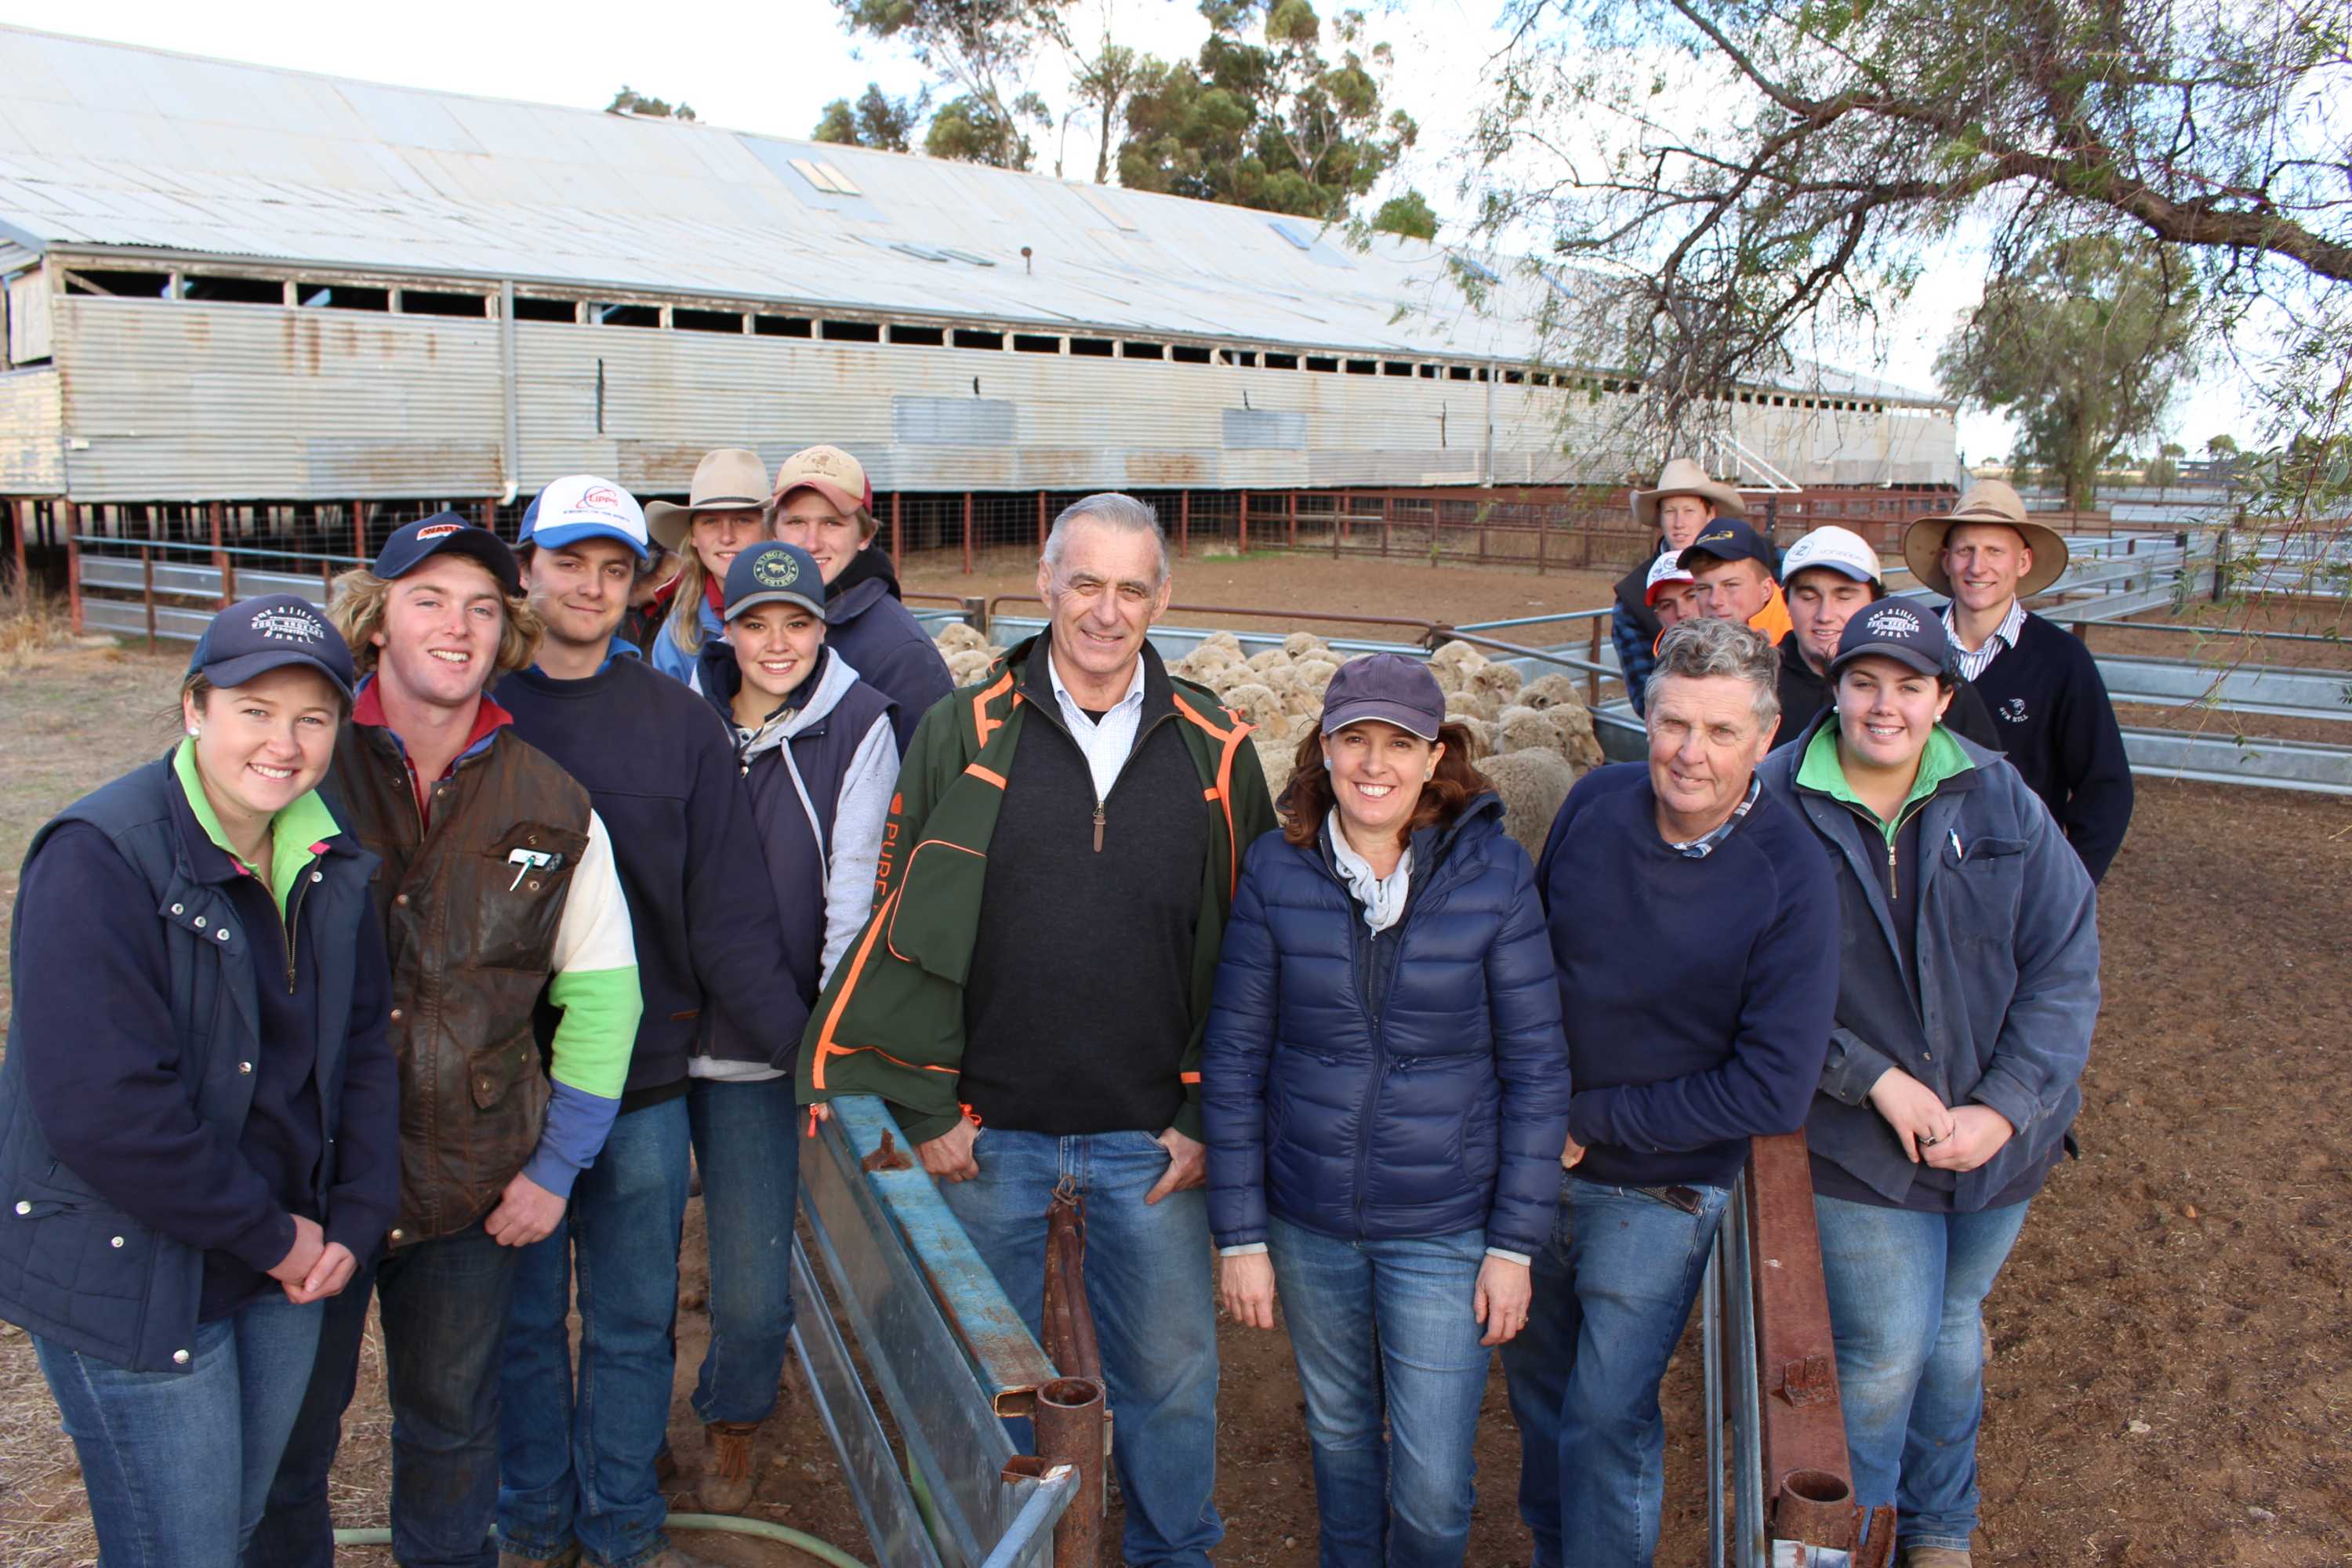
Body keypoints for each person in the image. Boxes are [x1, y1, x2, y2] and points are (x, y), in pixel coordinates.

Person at [796, 492, 1277, 1567]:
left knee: (1169, 1385)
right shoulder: (959, 732)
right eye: (1087, 583)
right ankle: (984, 1552)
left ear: (1164, 598)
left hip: (1147, 1142)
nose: (1107, 611)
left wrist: (1201, 1113)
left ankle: (1170, 1555)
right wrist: (928, 1106)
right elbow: (894, 922)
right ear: (1049, 586)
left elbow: (1250, 949)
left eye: (1132, 588)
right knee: (978, 1384)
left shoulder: (1215, 748)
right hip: (988, 1136)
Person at [252, 515, 643, 1568]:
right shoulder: (297, 768)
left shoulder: (551, 804)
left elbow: (606, 998)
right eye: (428, 599)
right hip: (307, 1179)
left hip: (467, 1181)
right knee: (289, 1440)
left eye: (481, 606)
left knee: (454, 1428)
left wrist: (557, 1166)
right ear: (377, 622)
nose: (457, 627)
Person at [0, 597, 397, 1568]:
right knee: (180, 1548)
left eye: (313, 716)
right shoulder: (99, 856)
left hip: (281, 1258)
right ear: (195, 708)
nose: (284, 740)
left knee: (243, 1522)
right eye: (255, 708)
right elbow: (104, 1110)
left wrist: (353, 1215)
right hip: (140, 1265)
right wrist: (276, 1234)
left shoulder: (329, 860)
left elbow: (363, 1049)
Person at [495, 478, 808, 1566]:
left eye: (614, 567)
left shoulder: (678, 725)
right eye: (569, 560)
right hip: (502, 1088)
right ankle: (534, 1527)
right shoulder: (483, 710)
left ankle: (620, 1523)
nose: (589, 585)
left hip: (644, 1080)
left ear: (639, 586)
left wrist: (809, 1056)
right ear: (526, 566)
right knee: (523, 1329)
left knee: (633, 1326)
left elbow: (727, 912)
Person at [1203, 652, 1571, 1567]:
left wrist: (1514, 1245)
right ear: (1323, 749)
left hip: (1445, 1226)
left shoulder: (1494, 875)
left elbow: (1536, 1068)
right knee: (1337, 1433)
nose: (1375, 764)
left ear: (1434, 753)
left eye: (1398, 743)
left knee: (1436, 1480)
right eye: (1353, 740)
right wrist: (1241, 1235)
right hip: (1310, 1218)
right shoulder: (1277, 873)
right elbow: (1237, 1055)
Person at [1759, 604, 2100, 1568]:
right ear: (1836, 688)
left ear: (1945, 697)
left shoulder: (2000, 799)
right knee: (1887, 1350)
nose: (1885, 704)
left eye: (1911, 684)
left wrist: (2005, 1105)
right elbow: (1747, 977)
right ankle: (1853, 1542)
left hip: (2002, 1136)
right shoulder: (1778, 800)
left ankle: (1941, 1524)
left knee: (1954, 1329)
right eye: (1865, 681)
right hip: (1853, 1139)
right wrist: (1871, 1078)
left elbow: (2063, 962)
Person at [1502, 615, 1838, 1568]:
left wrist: (1591, 1117)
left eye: (1721, 731)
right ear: (1645, 717)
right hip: (1538, 1162)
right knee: (1537, 1387)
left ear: (1764, 738)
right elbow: (1531, 957)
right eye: (1673, 723)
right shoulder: (1596, 803)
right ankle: (1555, 1549)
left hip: (1660, 1187)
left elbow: (1774, 1087)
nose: (1691, 753)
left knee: (1607, 1409)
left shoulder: (1791, 877)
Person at [685, 539, 898, 1509]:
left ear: (824, 626)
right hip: (655, 1030)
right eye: (756, 622)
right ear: (725, 627)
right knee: (636, 1258)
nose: (777, 642)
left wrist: (820, 1041)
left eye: (798, 622)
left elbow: (851, 891)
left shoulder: (858, 723)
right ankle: (626, 1430)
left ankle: (734, 1415)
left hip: (763, 1040)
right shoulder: (680, 711)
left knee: (750, 1271)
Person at [1902, 480, 2133, 881]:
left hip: (2014, 875)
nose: (1978, 566)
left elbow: (2106, 788)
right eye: (1965, 550)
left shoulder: (2061, 660)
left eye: (1995, 551)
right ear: (1946, 559)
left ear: (2023, 562)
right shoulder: (1910, 645)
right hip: (1912, 873)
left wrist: (2067, 886)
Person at [766, 443, 952, 750]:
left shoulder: (903, 655)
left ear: (865, 535)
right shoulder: (759, 627)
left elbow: (933, 784)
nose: (811, 543)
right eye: (796, 522)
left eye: (831, 523)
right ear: (774, 532)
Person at [1774, 525, 2001, 750]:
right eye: (1808, 597)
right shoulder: (1760, 683)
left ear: (1874, 601)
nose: (1825, 615)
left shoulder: (1932, 680)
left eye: (1844, 597)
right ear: (1787, 603)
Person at [1610, 459, 1743, 718]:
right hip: (1678, 721)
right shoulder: (1633, 596)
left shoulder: (1747, 569)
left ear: (1711, 514)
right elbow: (1643, 692)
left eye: (1689, 511)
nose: (1679, 523)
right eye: (1670, 512)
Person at [644, 448, 772, 689]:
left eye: (742, 520)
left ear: (767, 530)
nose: (726, 537)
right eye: (711, 521)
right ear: (693, 536)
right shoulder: (677, 633)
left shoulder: (811, 610)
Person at [1682, 517, 1795, 644]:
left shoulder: (1804, 646)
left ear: (1766, 590)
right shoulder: (1685, 645)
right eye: (1703, 588)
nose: (1714, 601)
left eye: (1730, 585)